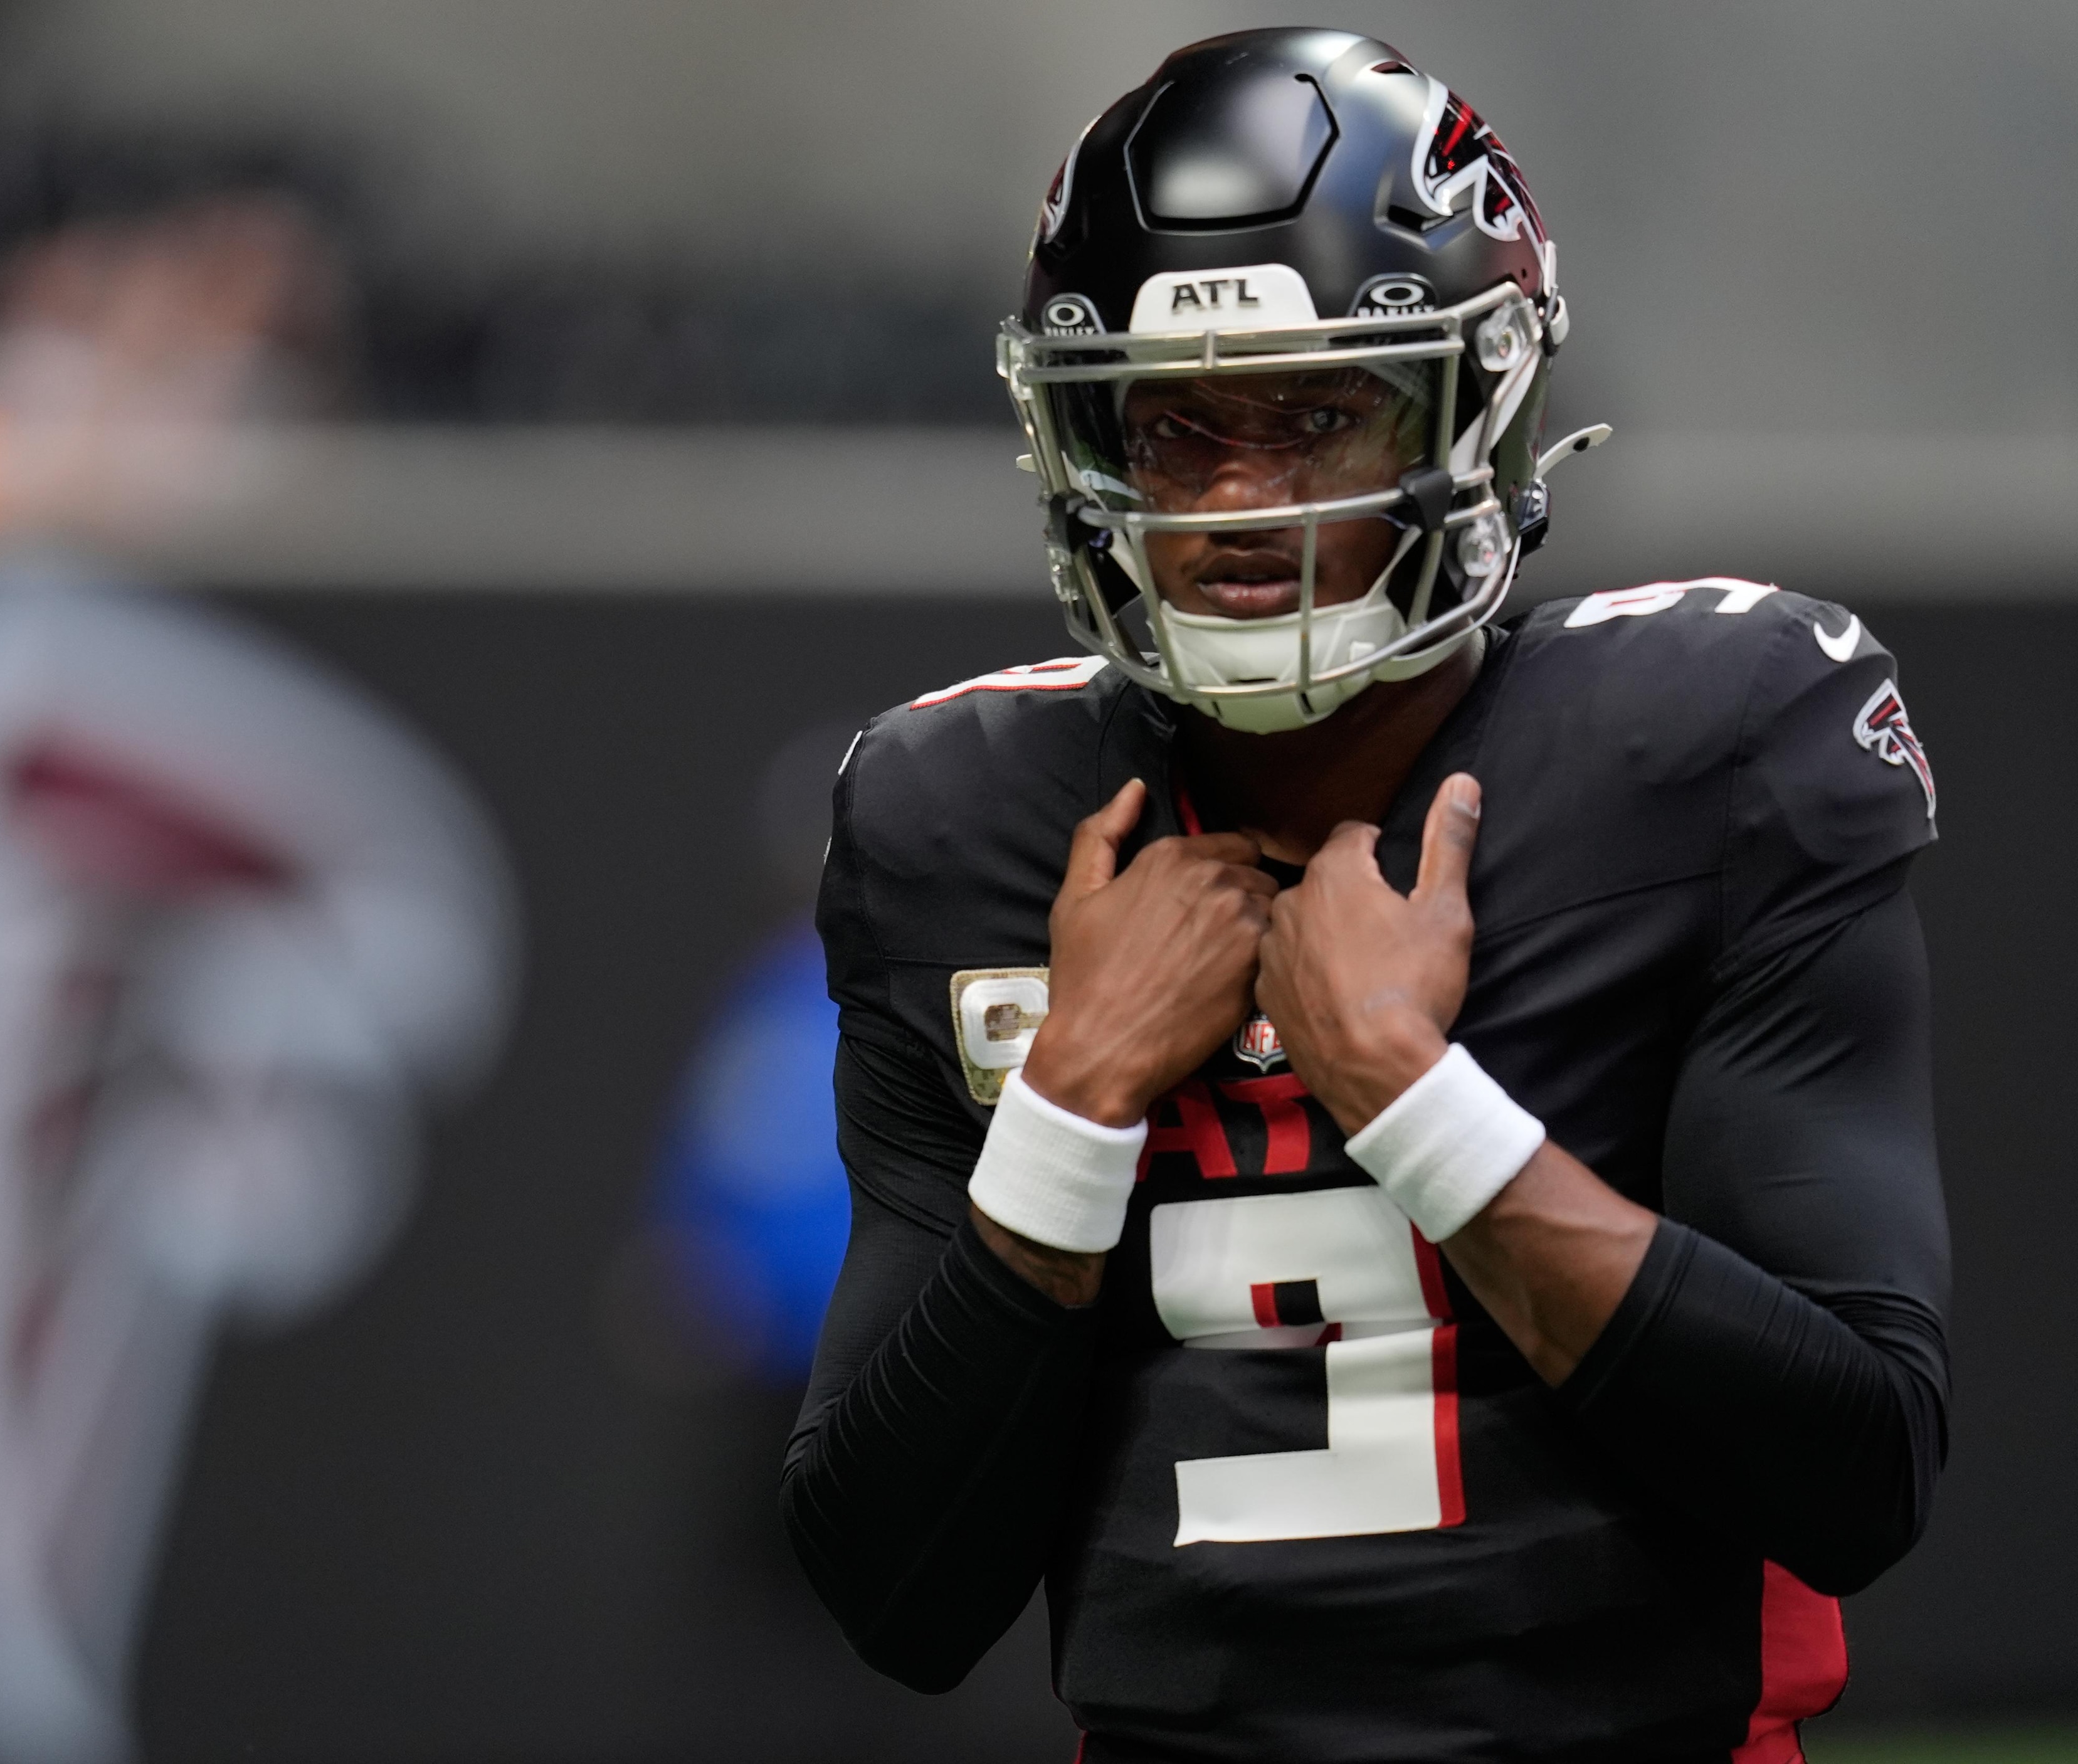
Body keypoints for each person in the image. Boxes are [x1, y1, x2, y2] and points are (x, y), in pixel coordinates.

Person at [782, 30, 1947, 1763]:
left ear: (1479, 404)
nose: (1240, 504)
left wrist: (1414, 1102)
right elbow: (898, 1598)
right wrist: (1071, 1109)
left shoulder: (1711, 745)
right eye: (1174, 429)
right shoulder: (960, 815)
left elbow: (1859, 1472)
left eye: (1321, 414)